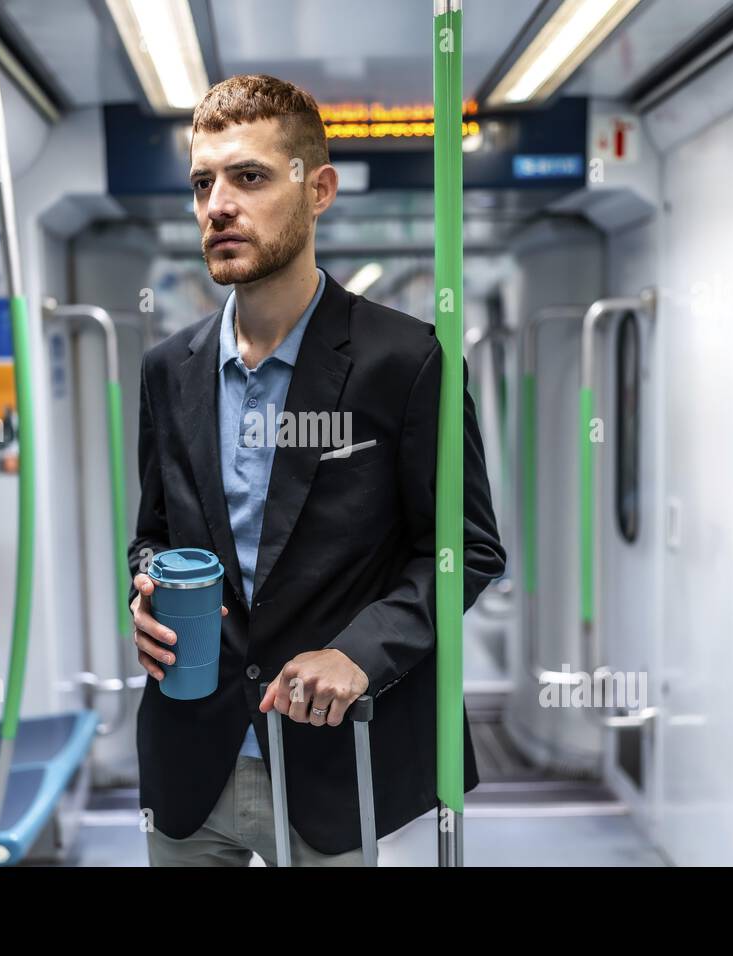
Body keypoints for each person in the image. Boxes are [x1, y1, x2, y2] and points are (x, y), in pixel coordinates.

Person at [127, 73, 506, 866]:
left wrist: (359, 654)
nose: (218, 205)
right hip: (192, 757)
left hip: (340, 763)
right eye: (203, 183)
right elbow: (154, 535)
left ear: (319, 189)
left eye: (249, 177)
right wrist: (147, 594)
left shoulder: (405, 363)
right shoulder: (170, 369)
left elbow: (463, 550)